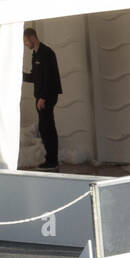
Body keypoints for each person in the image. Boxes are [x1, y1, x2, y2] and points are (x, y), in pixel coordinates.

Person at [22, 28, 61, 170]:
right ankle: (49, 159)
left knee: (48, 128)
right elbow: (35, 77)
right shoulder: (35, 54)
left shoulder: (46, 53)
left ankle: (52, 160)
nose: (25, 44)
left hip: (47, 97)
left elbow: (49, 78)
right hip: (39, 96)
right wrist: (19, 75)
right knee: (44, 128)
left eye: (26, 41)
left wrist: (43, 97)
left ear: (32, 37)